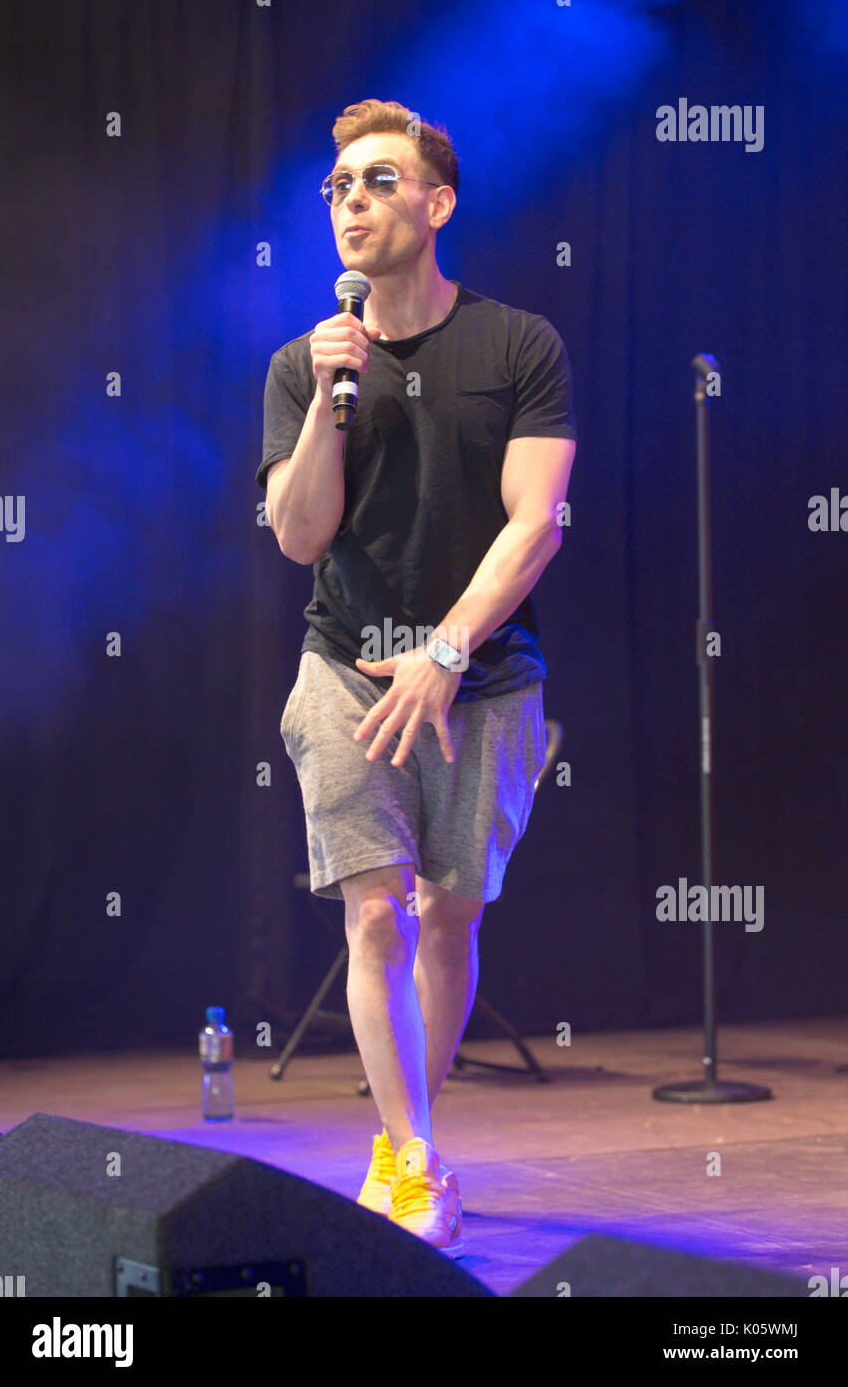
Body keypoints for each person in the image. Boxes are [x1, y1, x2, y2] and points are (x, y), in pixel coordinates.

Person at [257, 99, 577, 1259]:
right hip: (343, 665)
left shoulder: (516, 344)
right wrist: (324, 414)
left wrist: (444, 651)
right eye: (338, 186)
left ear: (436, 204)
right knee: (375, 913)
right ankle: (405, 1155)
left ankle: (416, 1138)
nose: (352, 201)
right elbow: (298, 537)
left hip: (483, 677)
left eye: (378, 181)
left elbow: (535, 524)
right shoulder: (307, 361)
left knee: (448, 916)